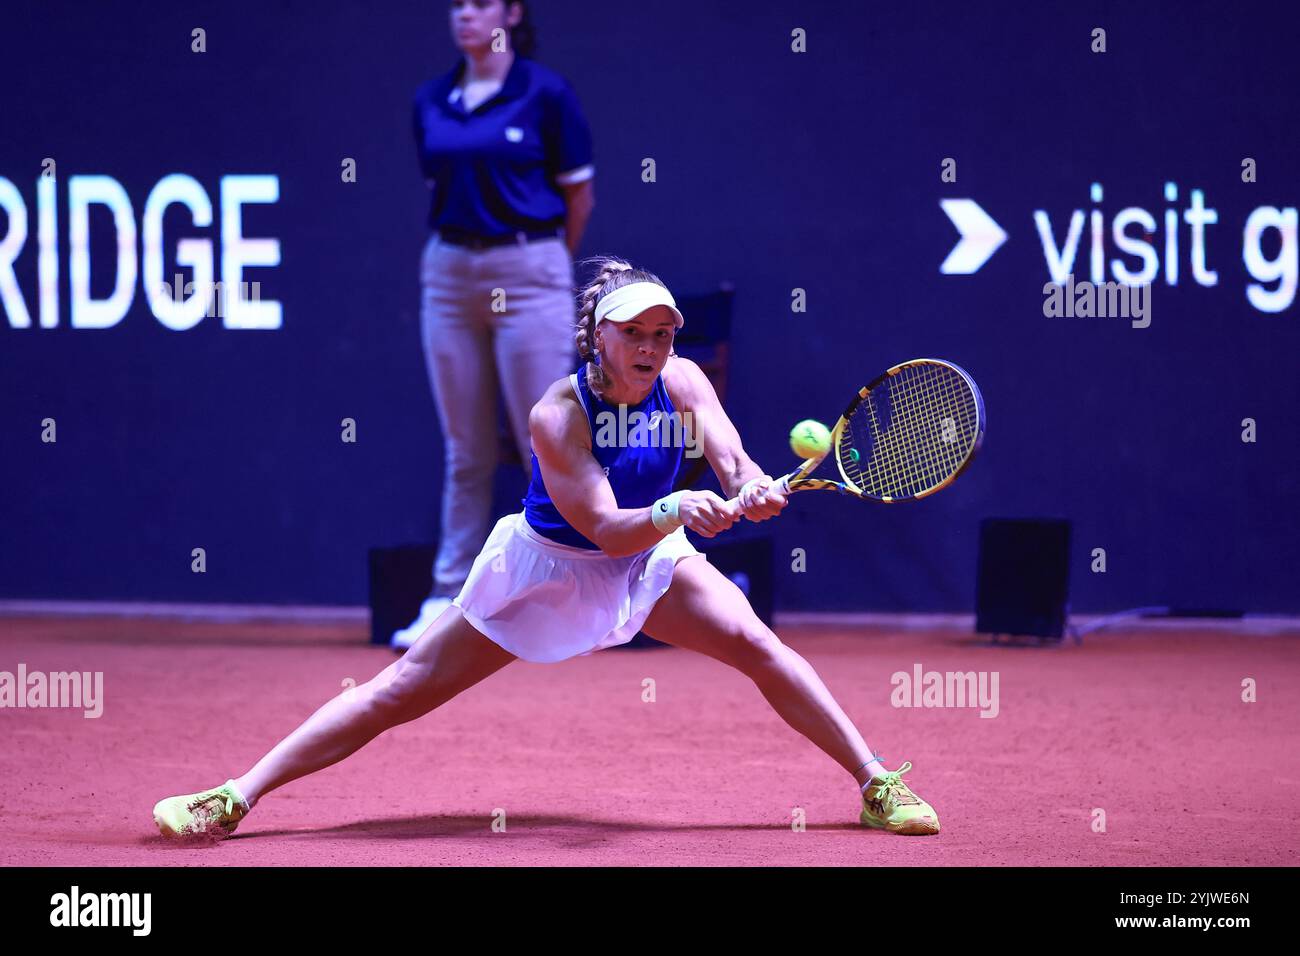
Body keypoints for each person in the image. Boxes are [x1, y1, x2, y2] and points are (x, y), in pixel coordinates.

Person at [152, 259, 940, 839]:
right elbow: (603, 526)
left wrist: (755, 490)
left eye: (663, 334)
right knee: (398, 690)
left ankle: (875, 783)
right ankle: (234, 796)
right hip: (547, 570)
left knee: (758, 645)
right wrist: (676, 507)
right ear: (598, 336)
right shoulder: (557, 414)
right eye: (633, 333)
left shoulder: (688, 384)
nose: (652, 347)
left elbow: (733, 464)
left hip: (649, 565)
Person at [393, 0, 596, 648]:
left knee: (549, 438)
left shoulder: (546, 93)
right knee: (467, 450)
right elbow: (441, 184)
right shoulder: (431, 99)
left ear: (511, 11)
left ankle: (577, 593)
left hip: (530, 270)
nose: (465, 16)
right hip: (449, 274)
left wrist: (542, 269)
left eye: (480, 3)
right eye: (456, 5)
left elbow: (578, 197)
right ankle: (447, 599)